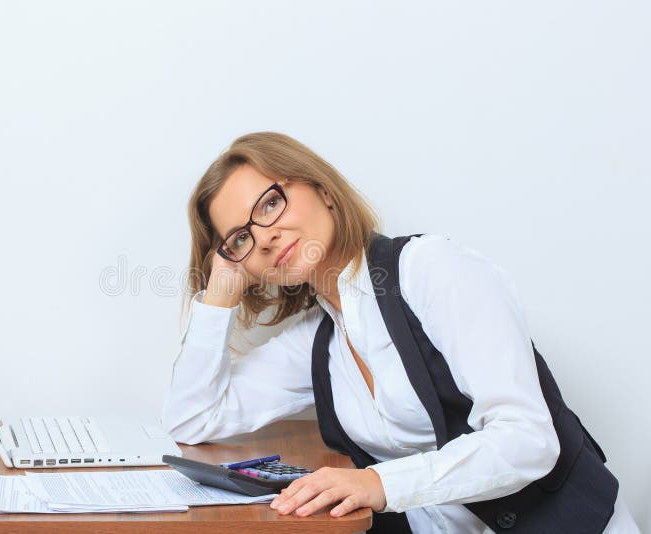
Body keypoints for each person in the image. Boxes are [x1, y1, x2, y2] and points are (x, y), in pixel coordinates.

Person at [161, 132, 639, 533]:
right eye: (240, 239)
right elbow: (194, 419)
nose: (263, 236)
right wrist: (220, 291)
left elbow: (529, 438)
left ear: (322, 189)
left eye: (270, 203)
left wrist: (379, 484)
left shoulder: (430, 270)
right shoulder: (319, 337)